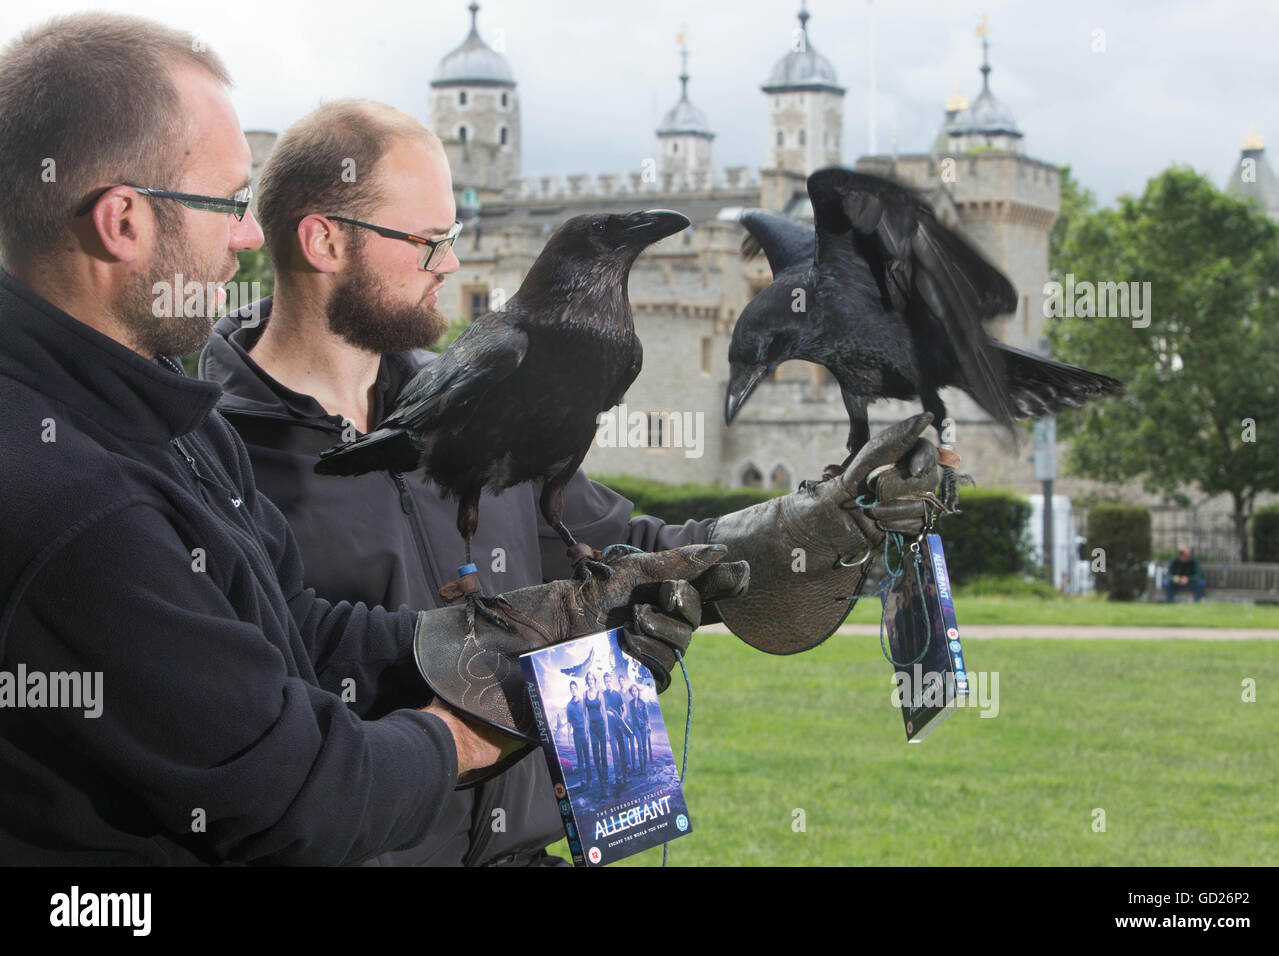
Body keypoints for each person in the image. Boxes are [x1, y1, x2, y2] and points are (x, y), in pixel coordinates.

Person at [0, 11, 727, 864]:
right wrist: (505, 710)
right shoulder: (74, 499)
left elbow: (300, 630)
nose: (248, 235)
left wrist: (508, 639)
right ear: (123, 222)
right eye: (229, 203)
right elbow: (290, 789)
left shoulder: (174, 430)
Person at [198, 95, 945, 864]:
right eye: (427, 242)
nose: (452, 264)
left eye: (453, 238)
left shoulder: (494, 382)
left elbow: (628, 551)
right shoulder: (205, 454)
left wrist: (816, 524)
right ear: (323, 241)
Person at [583, 672, 610, 796]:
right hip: (592, 728)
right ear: (587, 680)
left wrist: (607, 730)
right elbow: (584, 714)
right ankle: (601, 780)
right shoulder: (584, 694)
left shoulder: (600, 694)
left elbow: (604, 712)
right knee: (596, 755)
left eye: (592, 679)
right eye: (588, 679)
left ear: (595, 680)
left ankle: (606, 779)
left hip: (601, 726)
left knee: (604, 754)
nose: (590, 681)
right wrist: (586, 730)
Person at [564, 681, 594, 789]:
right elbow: (569, 722)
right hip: (576, 734)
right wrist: (568, 737)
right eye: (571, 688)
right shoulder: (569, 706)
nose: (573, 690)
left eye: (574, 688)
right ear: (570, 690)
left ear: (577, 688)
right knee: (580, 758)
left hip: (584, 733)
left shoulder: (583, 703)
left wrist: (587, 732)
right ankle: (582, 780)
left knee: (587, 757)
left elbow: (587, 717)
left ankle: (589, 779)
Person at [628, 683, 651, 773]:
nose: (634, 693)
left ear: (638, 691)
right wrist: (633, 727)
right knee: (640, 747)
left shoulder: (643, 703)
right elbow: (632, 717)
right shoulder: (630, 703)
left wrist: (648, 726)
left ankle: (644, 766)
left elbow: (646, 716)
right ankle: (642, 769)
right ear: (631, 693)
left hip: (643, 727)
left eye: (636, 691)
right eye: (633, 691)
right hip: (636, 727)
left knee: (644, 747)